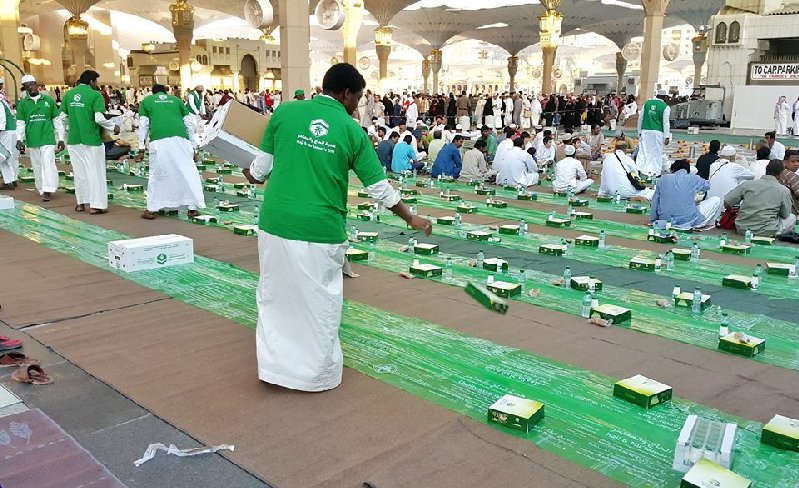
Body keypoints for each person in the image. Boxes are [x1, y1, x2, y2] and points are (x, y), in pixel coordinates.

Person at [242, 63, 430, 392]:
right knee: (319, 303)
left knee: (277, 295)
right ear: (345, 94)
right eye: (357, 98)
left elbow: (258, 171)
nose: (358, 106)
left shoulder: (285, 113)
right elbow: (379, 188)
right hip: (320, 229)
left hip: (275, 223)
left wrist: (248, 169)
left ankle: (276, 370)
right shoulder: (351, 130)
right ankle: (314, 377)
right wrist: (410, 217)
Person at [136, 84, 205, 220]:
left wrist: (141, 148)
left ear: (153, 92)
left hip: (159, 141)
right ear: (166, 92)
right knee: (187, 172)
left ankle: (151, 209)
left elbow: (143, 124)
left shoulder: (146, 102)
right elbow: (189, 124)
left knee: (158, 174)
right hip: (181, 140)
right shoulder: (177, 101)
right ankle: (192, 209)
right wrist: (193, 148)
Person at [61, 70, 117, 214]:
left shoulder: (69, 95)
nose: (97, 84)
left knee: (79, 172)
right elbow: (98, 118)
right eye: (96, 82)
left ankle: (80, 203)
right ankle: (96, 205)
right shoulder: (94, 95)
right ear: (92, 82)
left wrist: (75, 123)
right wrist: (113, 127)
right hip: (91, 139)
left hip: (74, 139)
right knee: (95, 171)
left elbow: (63, 117)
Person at [14, 74, 64, 201]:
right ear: (24, 88)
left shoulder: (48, 101)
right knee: (37, 165)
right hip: (33, 139)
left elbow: (57, 120)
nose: (31, 87)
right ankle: (41, 187)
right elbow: (20, 123)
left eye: (32, 84)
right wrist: (19, 139)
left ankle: (48, 189)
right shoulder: (23, 104)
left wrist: (61, 138)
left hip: (47, 138)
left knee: (48, 162)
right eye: (27, 86)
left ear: (36, 84)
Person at [725, 159, 795, 236]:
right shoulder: (783, 190)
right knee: (791, 218)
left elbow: (727, 201)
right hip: (766, 232)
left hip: (742, 229)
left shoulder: (748, 184)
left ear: (766, 170)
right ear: (781, 173)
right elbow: (785, 214)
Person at [650, 159, 721, 231]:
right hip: (687, 221)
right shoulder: (692, 178)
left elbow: (655, 201)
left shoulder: (662, 179)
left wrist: (653, 220)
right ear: (688, 170)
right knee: (716, 199)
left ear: (673, 169)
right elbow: (707, 186)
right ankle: (702, 224)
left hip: (665, 221)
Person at [636, 95, 671, 177]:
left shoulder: (647, 104)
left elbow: (640, 118)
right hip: (658, 133)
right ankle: (655, 172)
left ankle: (640, 170)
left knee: (643, 151)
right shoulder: (665, 107)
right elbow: (666, 122)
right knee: (656, 152)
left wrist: (639, 132)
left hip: (645, 131)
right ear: (664, 98)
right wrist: (667, 136)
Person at [0, 78, 18, 189]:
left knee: (4, 155)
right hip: (10, 130)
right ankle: (12, 179)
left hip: (5, 131)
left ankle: (9, 181)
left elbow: (1, 118)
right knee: (11, 156)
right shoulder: (3, 99)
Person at [778, 150, 799, 216]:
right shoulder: (790, 174)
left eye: (798, 161)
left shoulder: (778, 172)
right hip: (791, 211)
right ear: (784, 162)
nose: (797, 164)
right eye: (793, 161)